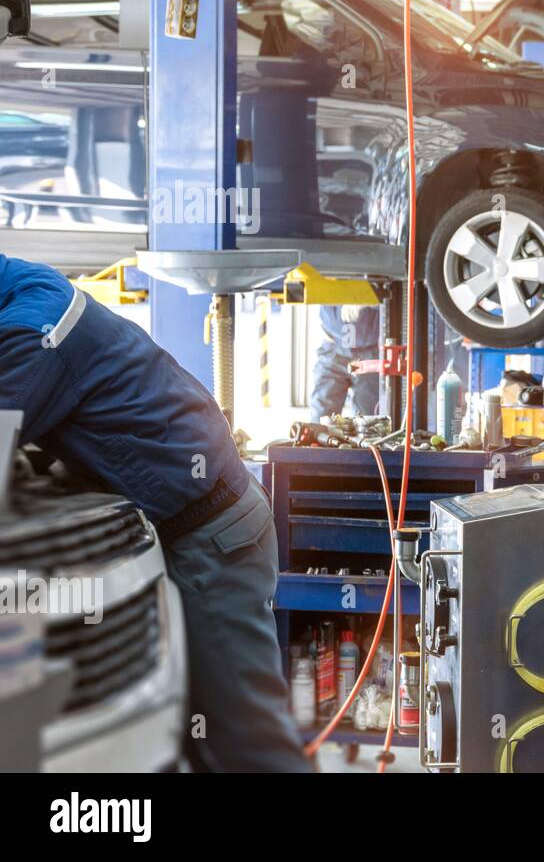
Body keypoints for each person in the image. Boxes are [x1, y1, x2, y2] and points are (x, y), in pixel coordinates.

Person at [0, 254, 311, 772]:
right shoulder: (27, 284)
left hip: (211, 535)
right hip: (196, 524)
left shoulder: (31, 332)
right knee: (195, 734)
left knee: (245, 741)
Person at [310, 305, 380, 421]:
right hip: (333, 347)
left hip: (370, 353)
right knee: (321, 420)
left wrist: (365, 301)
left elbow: (399, 293)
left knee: (367, 422)